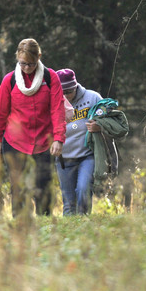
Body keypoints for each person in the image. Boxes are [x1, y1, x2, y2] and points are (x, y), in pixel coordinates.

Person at [0, 38, 66, 217]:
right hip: (15, 142)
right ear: (17, 58)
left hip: (43, 142)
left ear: (39, 57)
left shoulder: (50, 78)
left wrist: (58, 138)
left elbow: (57, 110)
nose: (27, 68)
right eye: (23, 63)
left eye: (31, 64)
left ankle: (44, 225)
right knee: (18, 189)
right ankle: (20, 225)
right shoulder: (10, 80)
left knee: (43, 188)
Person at [54, 68, 102, 215]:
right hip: (64, 158)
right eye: (62, 92)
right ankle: (69, 229)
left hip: (87, 156)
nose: (66, 96)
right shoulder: (52, 102)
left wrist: (99, 126)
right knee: (69, 203)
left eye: (69, 91)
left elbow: (110, 121)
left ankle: (84, 224)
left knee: (83, 190)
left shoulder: (93, 98)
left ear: (76, 86)